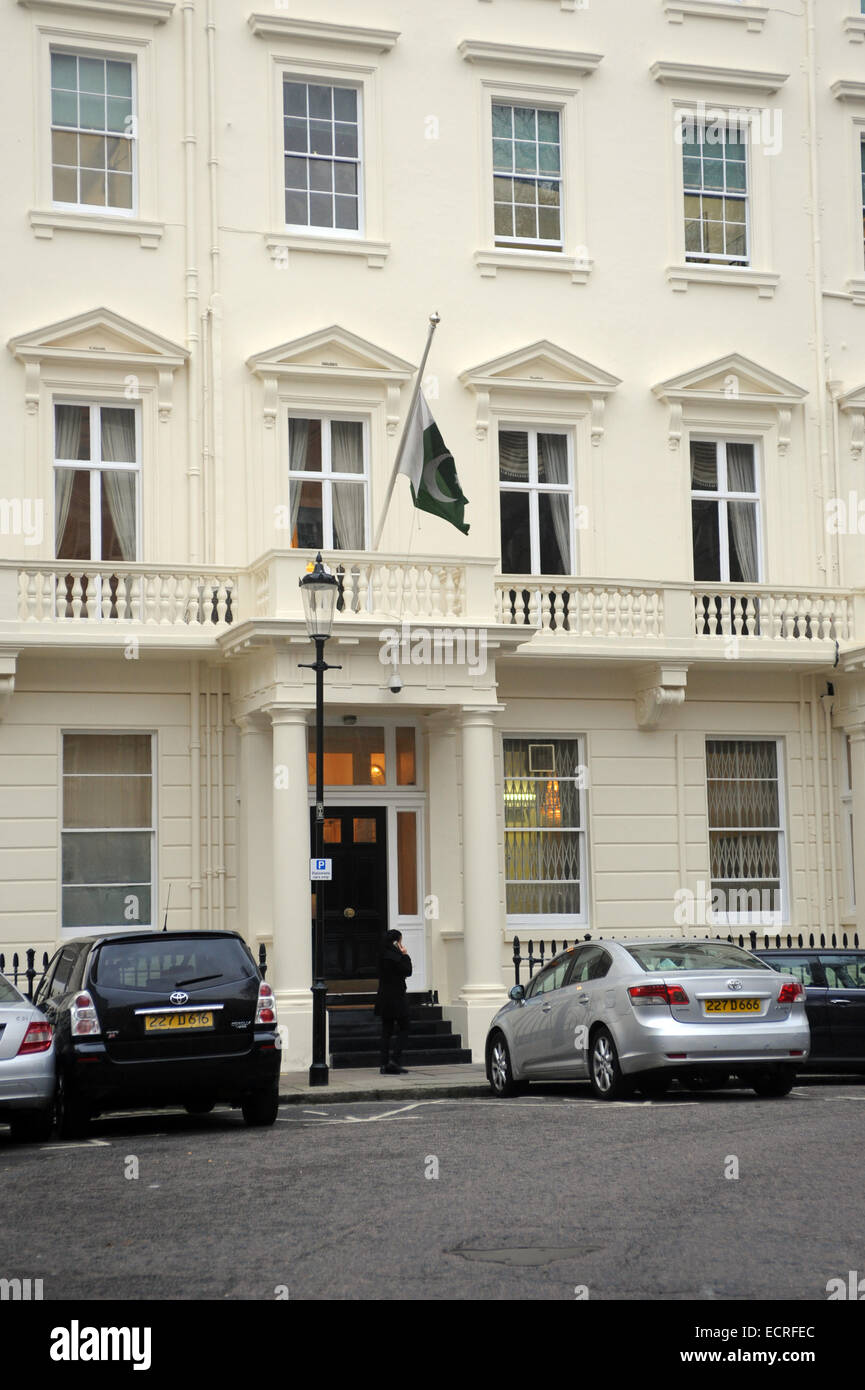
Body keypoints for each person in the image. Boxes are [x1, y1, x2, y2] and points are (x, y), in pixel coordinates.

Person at [375, 929, 412, 1074]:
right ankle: (394, 1060)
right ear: (396, 942)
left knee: (386, 1031)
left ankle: (384, 1064)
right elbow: (407, 971)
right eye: (400, 941)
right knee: (405, 1027)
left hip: (384, 997)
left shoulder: (381, 954)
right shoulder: (396, 956)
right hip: (397, 997)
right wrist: (405, 955)